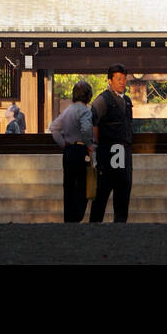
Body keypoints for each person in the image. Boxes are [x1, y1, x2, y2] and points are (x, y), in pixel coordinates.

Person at [89, 63, 134, 223]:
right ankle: (94, 223)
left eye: (124, 79)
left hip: (124, 150)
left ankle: (120, 223)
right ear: (110, 80)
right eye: (118, 79)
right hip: (109, 149)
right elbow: (93, 122)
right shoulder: (102, 100)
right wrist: (95, 146)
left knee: (123, 187)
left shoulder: (127, 101)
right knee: (104, 187)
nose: (122, 82)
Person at [48, 80, 95, 222]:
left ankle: (68, 218)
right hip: (81, 149)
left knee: (68, 185)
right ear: (88, 95)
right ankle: (77, 215)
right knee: (82, 184)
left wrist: (64, 144)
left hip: (68, 150)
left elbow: (54, 128)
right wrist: (89, 145)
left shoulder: (67, 110)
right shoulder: (85, 110)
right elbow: (86, 129)